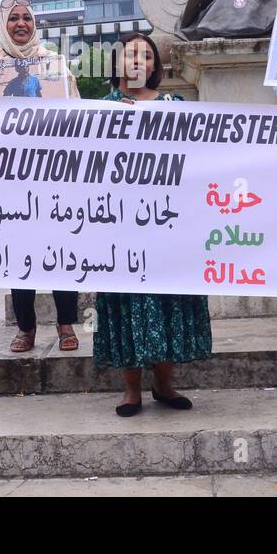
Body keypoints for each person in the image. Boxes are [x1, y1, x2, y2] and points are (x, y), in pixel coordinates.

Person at [96, 33, 212, 416]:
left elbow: (197, 153)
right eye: (131, 54)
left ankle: (164, 384)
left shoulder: (174, 106)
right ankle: (132, 392)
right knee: (126, 303)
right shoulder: (99, 111)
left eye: (146, 56)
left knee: (168, 301)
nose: (138, 61)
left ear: (154, 67)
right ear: (118, 63)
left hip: (166, 223)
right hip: (120, 224)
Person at [0, 0, 81, 353]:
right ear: (4, 25)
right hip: (10, 179)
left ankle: (66, 324)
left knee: (61, 250)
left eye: (27, 19)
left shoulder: (55, 66)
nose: (21, 24)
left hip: (54, 176)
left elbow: (77, 115)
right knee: (19, 255)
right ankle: (26, 328)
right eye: (14, 19)